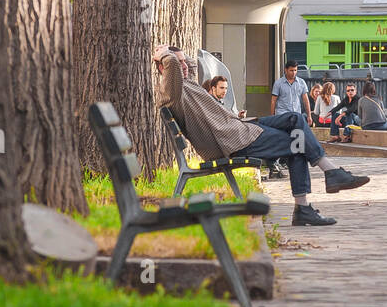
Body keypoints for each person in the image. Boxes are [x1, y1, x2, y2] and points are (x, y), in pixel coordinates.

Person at [153, 45, 367, 226]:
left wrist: (176, 55)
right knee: (299, 143)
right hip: (233, 140)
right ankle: (313, 196)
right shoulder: (172, 93)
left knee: (296, 119)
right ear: (163, 67)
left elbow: (187, 64)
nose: (183, 65)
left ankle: (330, 175)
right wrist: (163, 54)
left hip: (239, 128)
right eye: (175, 62)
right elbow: (173, 69)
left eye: (182, 62)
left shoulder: (186, 83)